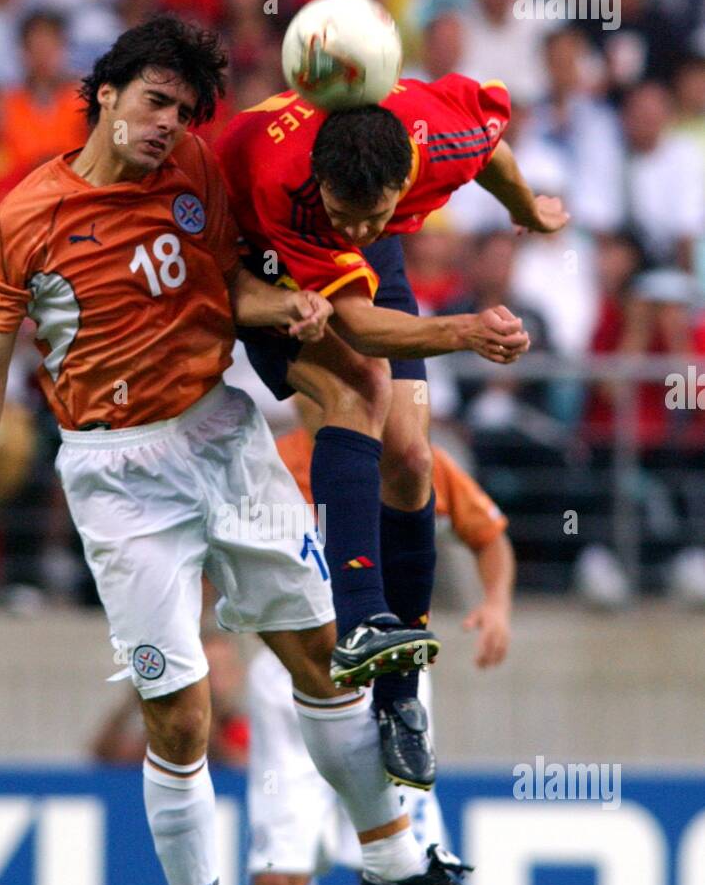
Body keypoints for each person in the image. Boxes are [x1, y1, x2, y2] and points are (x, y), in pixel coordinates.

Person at [0, 17, 507, 885]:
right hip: (119, 476)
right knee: (182, 720)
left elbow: (228, 283)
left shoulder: (202, 168)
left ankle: (396, 859)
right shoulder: (28, 216)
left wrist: (286, 301)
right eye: (152, 101)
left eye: (184, 110)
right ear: (105, 93)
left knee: (324, 661)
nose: (168, 126)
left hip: (222, 433)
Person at [215, 69, 566, 790]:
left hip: (363, 271)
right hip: (267, 256)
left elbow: (491, 150)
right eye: (348, 212)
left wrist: (527, 207)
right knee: (362, 387)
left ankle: (400, 701)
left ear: (405, 175)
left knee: (410, 458)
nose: (358, 228)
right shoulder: (283, 180)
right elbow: (361, 326)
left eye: (373, 214)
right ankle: (361, 617)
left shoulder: (437, 138)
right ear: (324, 176)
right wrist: (464, 329)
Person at [223, 408, 515, 885]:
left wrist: (498, 605)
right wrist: (205, 638)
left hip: (391, 687)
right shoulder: (273, 461)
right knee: (276, 884)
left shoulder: (410, 456)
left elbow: (488, 533)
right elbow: (216, 548)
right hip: (293, 688)